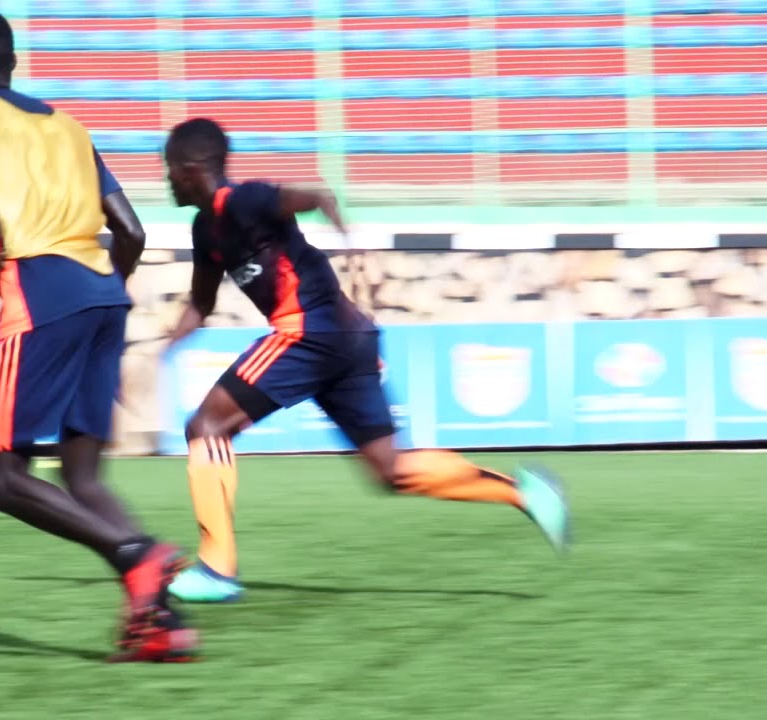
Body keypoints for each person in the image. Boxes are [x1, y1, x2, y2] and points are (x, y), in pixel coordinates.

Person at [162, 118, 573, 604]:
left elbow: (309, 196)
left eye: (169, 169)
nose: (167, 180)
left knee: (207, 426)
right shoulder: (205, 229)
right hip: (347, 339)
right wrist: (164, 346)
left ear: (190, 169)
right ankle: (524, 492)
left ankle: (217, 568)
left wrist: (343, 232)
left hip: (309, 332)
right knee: (390, 470)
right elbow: (201, 302)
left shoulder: (243, 200)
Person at [0, 7, 198, 662]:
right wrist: (101, 294)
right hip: (103, 293)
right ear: (12, 63)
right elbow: (131, 231)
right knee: (85, 478)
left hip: (39, 292)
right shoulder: (66, 124)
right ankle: (161, 620)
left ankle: (137, 554)